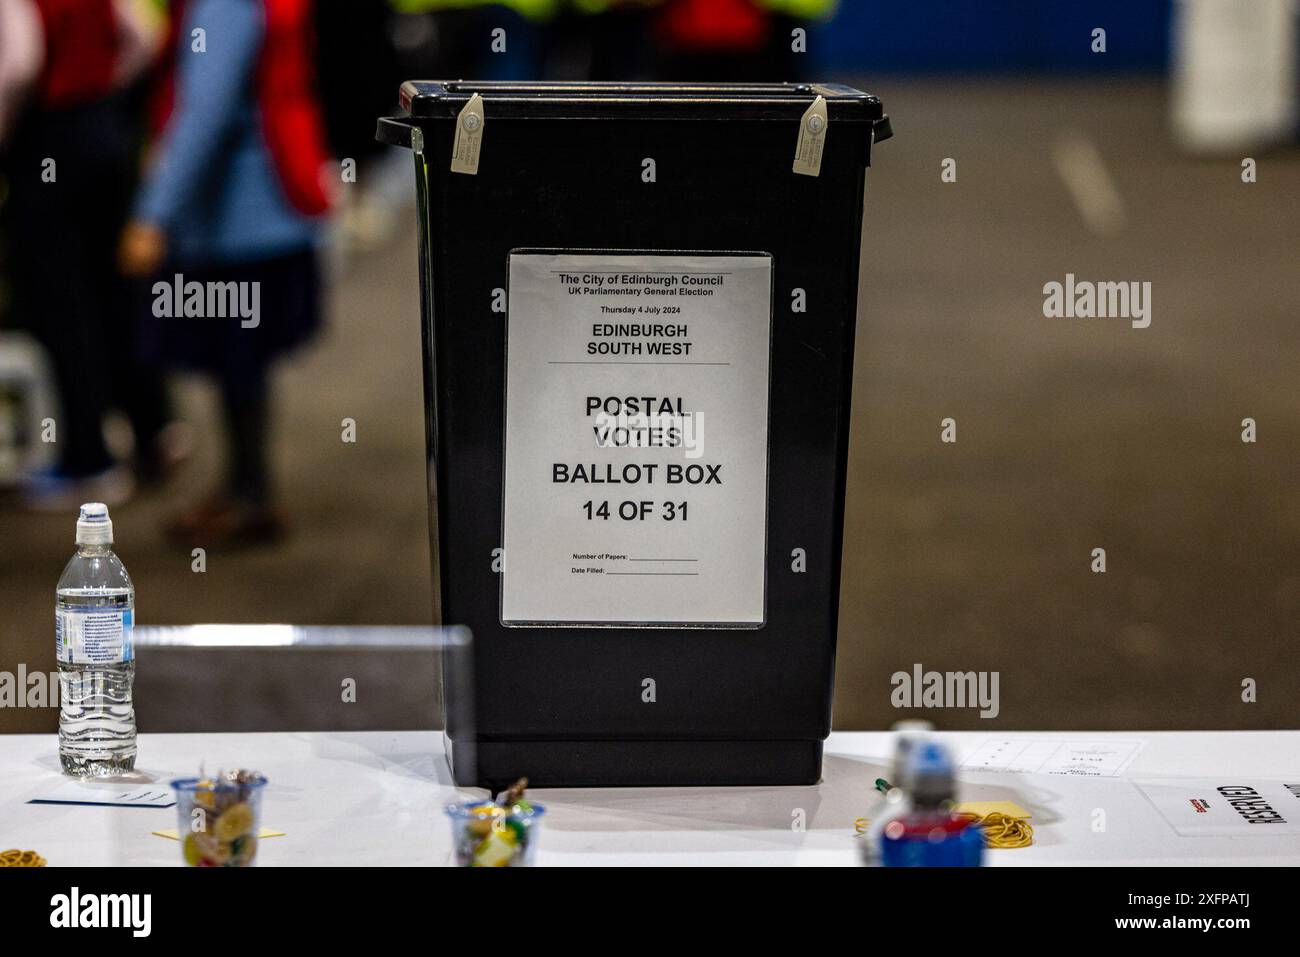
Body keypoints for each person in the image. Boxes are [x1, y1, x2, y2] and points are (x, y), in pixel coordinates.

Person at [119, 0, 333, 545]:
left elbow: (204, 110)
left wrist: (153, 213)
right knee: (242, 366)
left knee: (238, 363)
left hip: (239, 221)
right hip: (260, 209)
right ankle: (245, 489)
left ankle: (249, 497)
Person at [2, 0, 169, 510]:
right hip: (104, 134)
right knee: (115, 291)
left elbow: (20, 62)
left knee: (62, 307)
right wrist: (103, 92)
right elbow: (144, 36)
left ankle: (90, 460)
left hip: (48, 141)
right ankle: (152, 430)